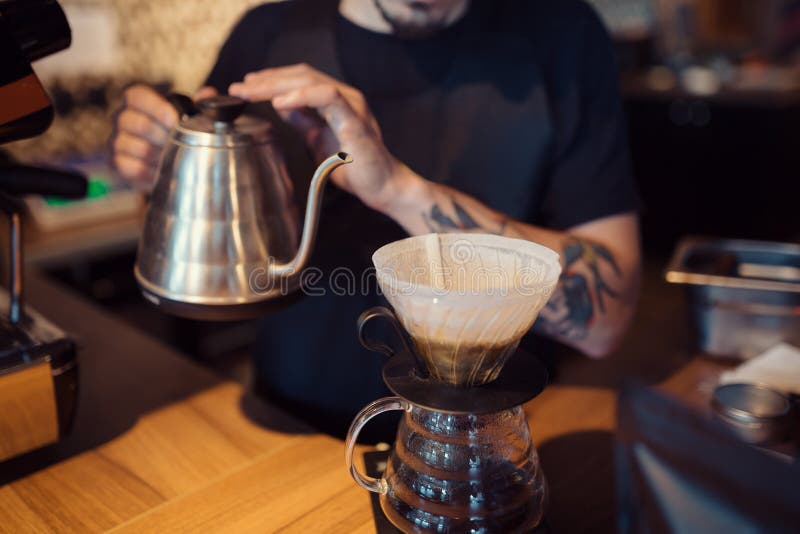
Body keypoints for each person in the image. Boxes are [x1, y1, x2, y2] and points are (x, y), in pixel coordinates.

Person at [110, 0, 641, 440]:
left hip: (487, 450)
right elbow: (205, 254)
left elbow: (606, 319)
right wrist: (160, 167)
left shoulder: (561, 34)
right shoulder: (267, 34)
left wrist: (397, 189)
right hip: (286, 432)